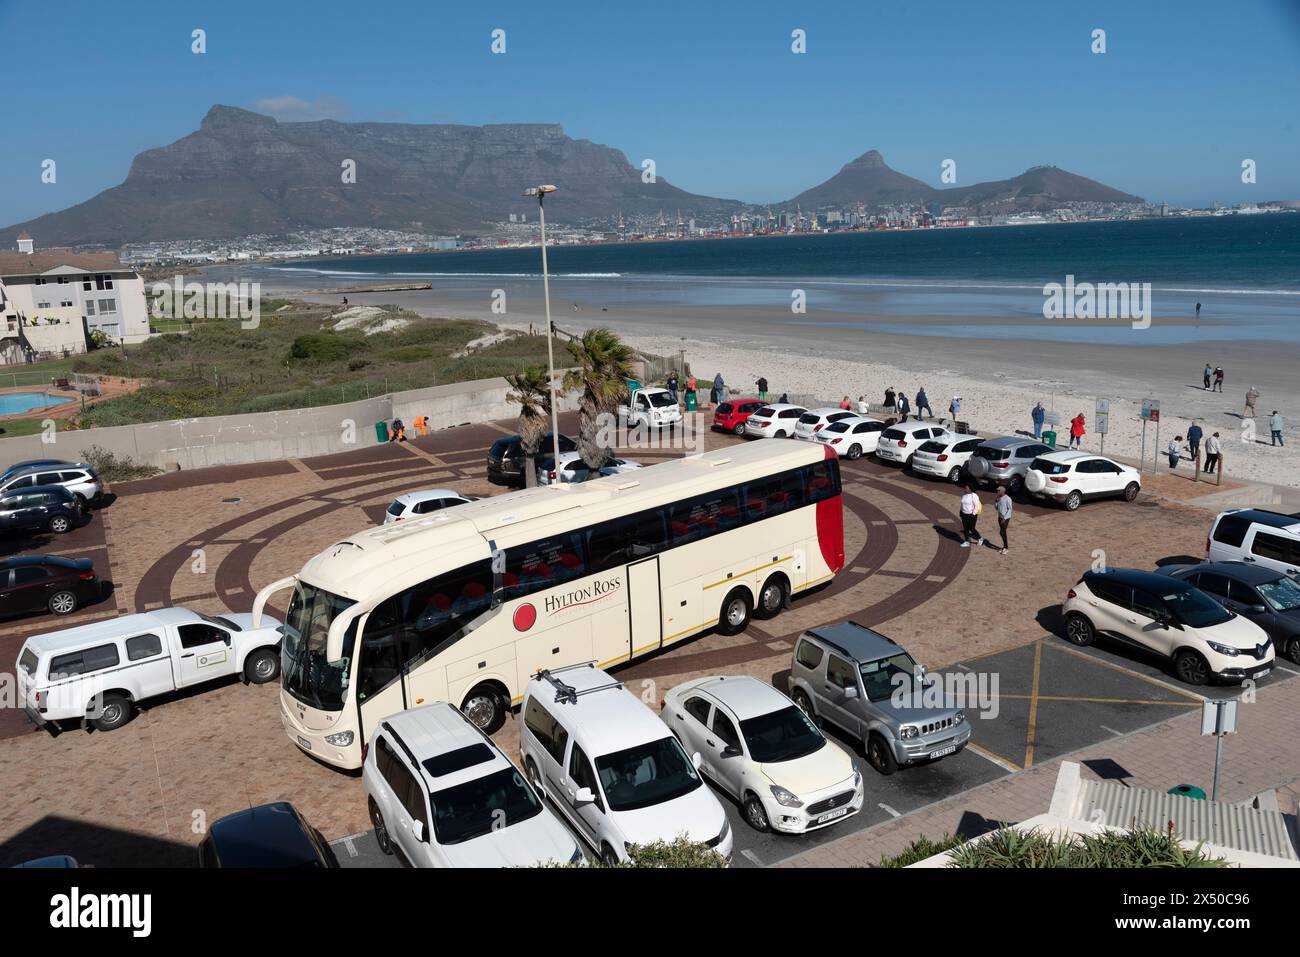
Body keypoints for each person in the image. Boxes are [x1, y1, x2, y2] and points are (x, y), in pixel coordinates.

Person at [958, 484, 984, 549]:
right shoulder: (964, 495)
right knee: (966, 528)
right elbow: (962, 504)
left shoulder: (974, 496)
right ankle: (967, 541)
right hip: (964, 514)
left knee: (972, 528)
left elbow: (977, 506)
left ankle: (980, 538)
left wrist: (973, 513)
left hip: (971, 515)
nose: (965, 489)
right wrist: (961, 511)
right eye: (965, 488)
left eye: (966, 488)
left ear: (970, 489)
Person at [994, 485, 1013, 555]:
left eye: (998, 490)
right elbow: (997, 508)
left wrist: (1004, 518)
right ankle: (1004, 547)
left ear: (1002, 491)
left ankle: (1006, 548)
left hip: (1005, 518)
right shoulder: (999, 498)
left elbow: (1010, 509)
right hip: (1000, 517)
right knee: (1002, 532)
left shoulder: (1008, 498)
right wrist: (996, 502)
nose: (997, 492)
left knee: (1002, 532)